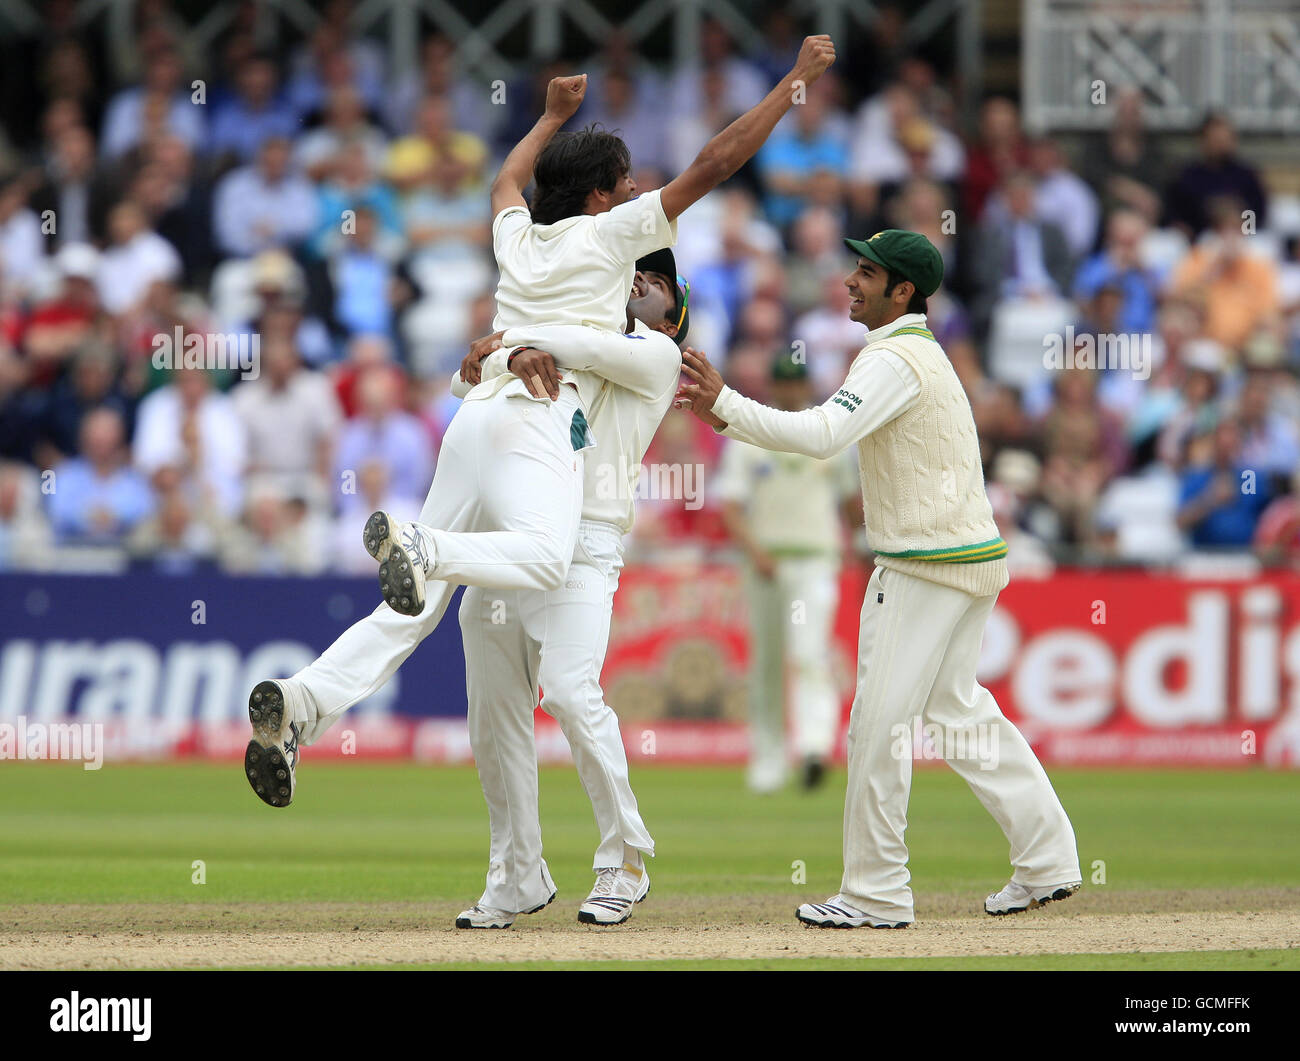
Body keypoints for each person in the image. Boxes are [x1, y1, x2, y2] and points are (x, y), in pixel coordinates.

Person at [244, 38, 837, 810]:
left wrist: (549, 117)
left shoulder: (516, 238)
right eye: (624, 186)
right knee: (542, 559)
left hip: (474, 416)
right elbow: (715, 163)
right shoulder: (612, 235)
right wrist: (792, 82)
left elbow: (504, 180)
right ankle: (426, 550)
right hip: (534, 420)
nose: (634, 196)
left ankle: (305, 704)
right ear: (598, 199)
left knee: (415, 607)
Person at [677, 228, 1081, 927]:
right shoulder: (913, 352)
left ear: (903, 291)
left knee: (877, 726)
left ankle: (875, 892)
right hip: (967, 556)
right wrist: (728, 413)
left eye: (866, 273)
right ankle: (1047, 859)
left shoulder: (893, 357)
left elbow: (824, 436)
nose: (849, 282)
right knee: (958, 715)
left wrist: (727, 406)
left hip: (925, 564)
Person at [448, 250, 688, 928]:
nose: (640, 283)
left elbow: (579, 342)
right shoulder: (561, 339)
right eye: (634, 271)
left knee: (570, 690)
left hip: (584, 542)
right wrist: (484, 363)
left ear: (672, 312)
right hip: (509, 538)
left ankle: (626, 859)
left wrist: (509, 341)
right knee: (494, 713)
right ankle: (517, 871)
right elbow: (468, 393)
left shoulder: (654, 354)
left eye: (657, 282)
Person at [714, 353, 858, 793]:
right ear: (774, 387)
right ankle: (769, 757)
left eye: (797, 385)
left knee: (809, 653)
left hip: (815, 559)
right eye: (784, 384)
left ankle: (814, 747)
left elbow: (853, 505)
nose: (791, 392)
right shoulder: (749, 437)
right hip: (766, 563)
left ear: (806, 387)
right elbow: (732, 505)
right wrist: (755, 550)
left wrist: (855, 540)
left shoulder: (829, 435)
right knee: (768, 662)